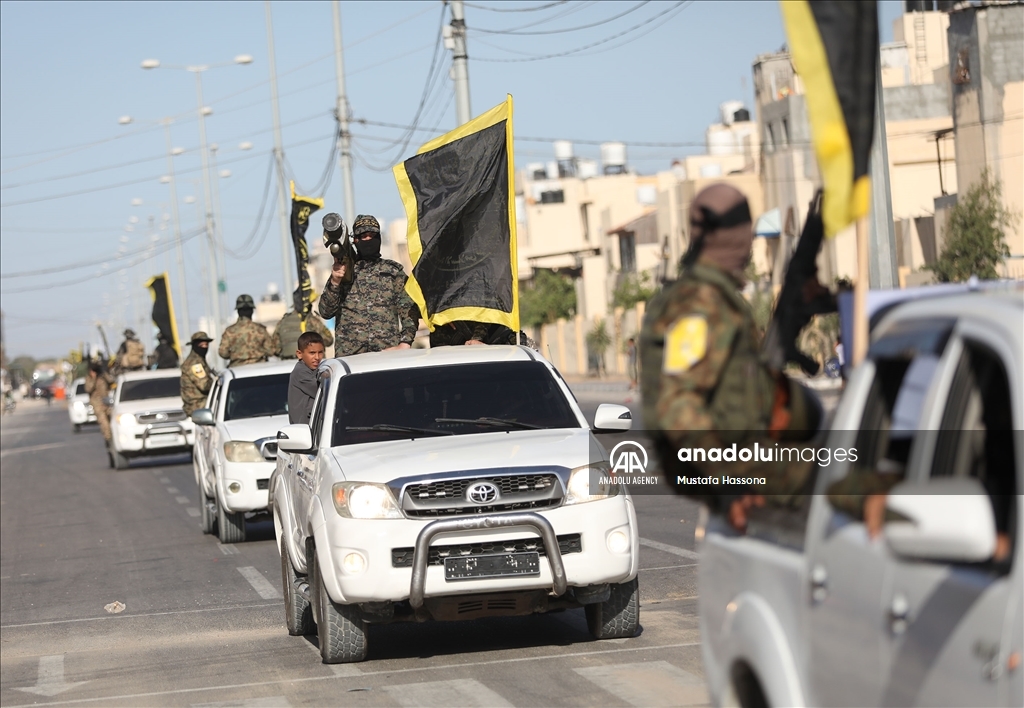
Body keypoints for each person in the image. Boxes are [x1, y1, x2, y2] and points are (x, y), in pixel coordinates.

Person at [640, 183, 821, 530]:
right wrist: (731, 486)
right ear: (734, 237)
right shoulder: (699, 304)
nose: (748, 246)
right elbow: (677, 408)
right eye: (745, 235)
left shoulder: (714, 299)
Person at [318, 214, 418, 356]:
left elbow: (409, 311)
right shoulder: (345, 271)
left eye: (372, 235)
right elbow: (326, 312)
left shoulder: (393, 273)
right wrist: (335, 281)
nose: (368, 240)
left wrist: (405, 343)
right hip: (350, 358)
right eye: (363, 236)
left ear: (379, 238)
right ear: (355, 240)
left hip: (386, 355)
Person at [272, 290, 334, 359]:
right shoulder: (312, 321)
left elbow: (275, 349)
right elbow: (329, 340)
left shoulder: (282, 322)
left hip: (288, 364)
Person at [219, 294, 274, 367]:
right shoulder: (260, 329)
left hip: (237, 368)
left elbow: (223, 352)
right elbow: (271, 351)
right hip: (260, 367)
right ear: (252, 311)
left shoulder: (230, 331)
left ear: (238, 311)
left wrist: (235, 355)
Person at [288, 331, 326, 425]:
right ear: (299, 354)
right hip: (305, 430)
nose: (317, 357)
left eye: (320, 352)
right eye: (312, 353)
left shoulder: (314, 369)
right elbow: (324, 392)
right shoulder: (301, 372)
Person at [181, 332, 215, 417]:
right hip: (199, 407)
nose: (205, 347)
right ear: (195, 345)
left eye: (206, 345)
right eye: (202, 345)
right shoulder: (195, 363)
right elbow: (204, 385)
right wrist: (216, 382)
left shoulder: (199, 360)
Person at [84, 361, 115, 446]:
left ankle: (114, 437)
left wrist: (104, 373)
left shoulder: (102, 376)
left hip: (107, 402)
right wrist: (94, 378)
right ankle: (108, 440)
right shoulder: (89, 379)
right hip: (97, 404)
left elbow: (111, 381)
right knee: (104, 424)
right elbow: (88, 389)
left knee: (113, 421)